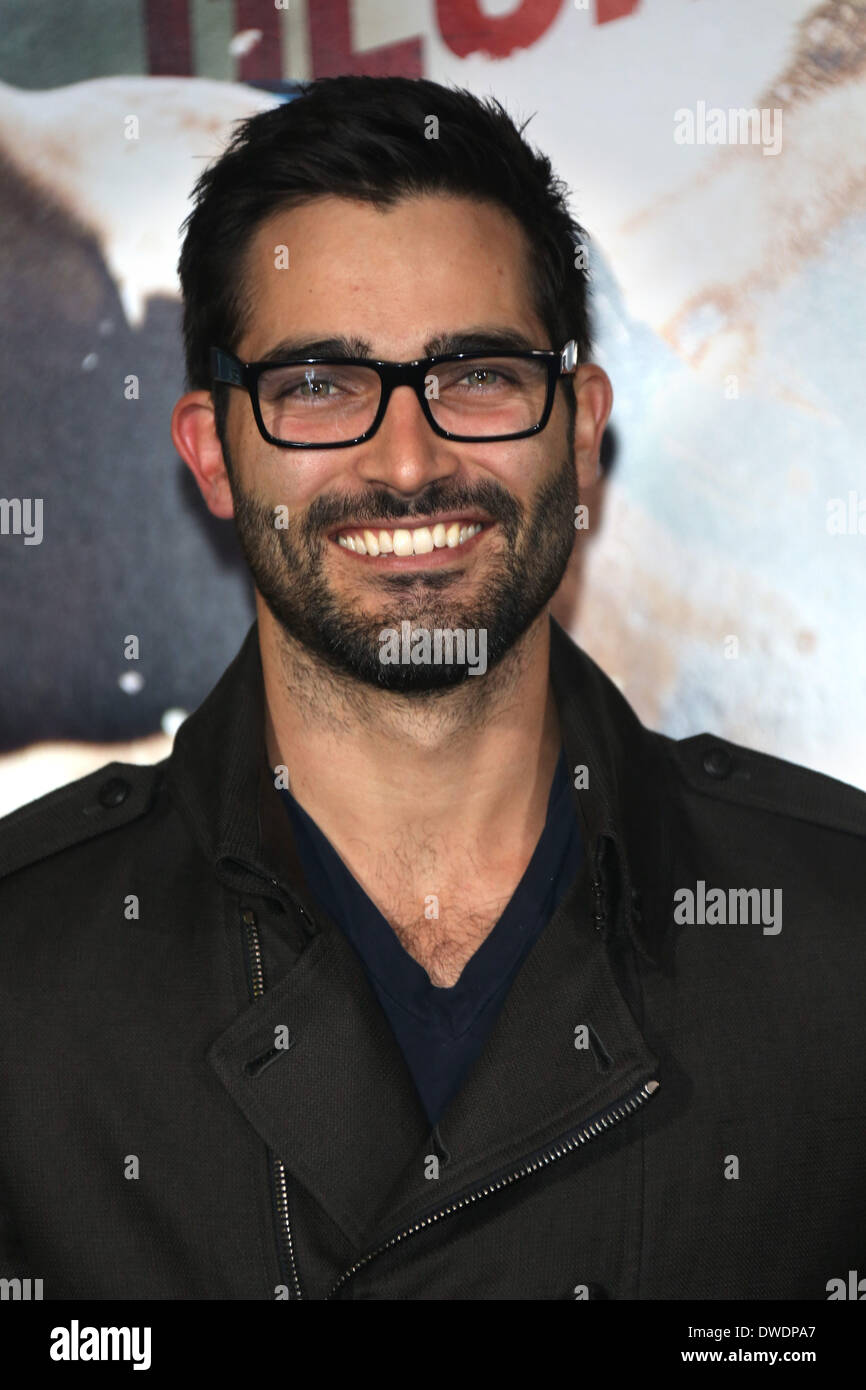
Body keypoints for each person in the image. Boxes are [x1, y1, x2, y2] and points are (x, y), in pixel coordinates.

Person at [1, 75, 864, 1303]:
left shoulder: (834, 934)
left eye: (476, 374)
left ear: (576, 432)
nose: (408, 461)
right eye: (317, 386)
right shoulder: (26, 973)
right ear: (211, 452)